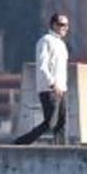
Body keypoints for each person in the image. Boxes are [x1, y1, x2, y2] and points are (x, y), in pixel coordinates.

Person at [14, 14, 70, 144]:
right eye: (62, 25)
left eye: (67, 25)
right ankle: (21, 142)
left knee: (61, 123)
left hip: (61, 88)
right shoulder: (45, 41)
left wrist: (62, 86)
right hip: (49, 89)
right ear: (54, 25)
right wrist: (52, 84)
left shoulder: (61, 44)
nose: (65, 28)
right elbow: (42, 66)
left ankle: (62, 150)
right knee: (50, 123)